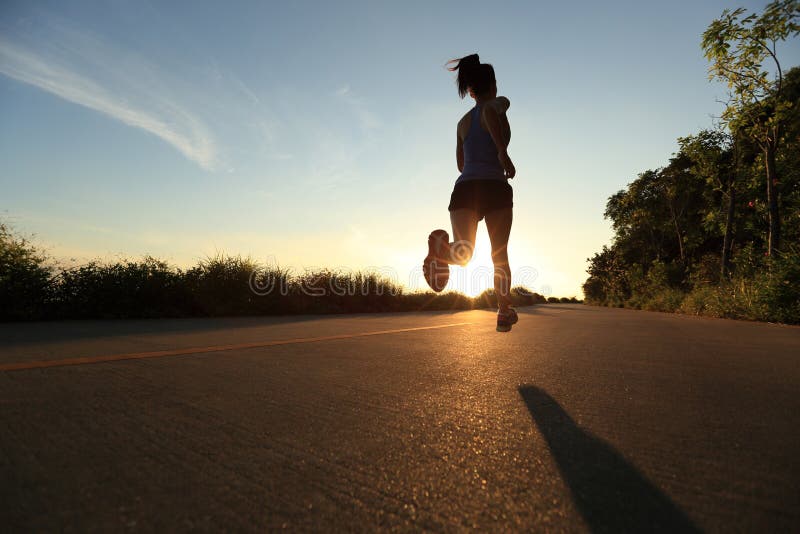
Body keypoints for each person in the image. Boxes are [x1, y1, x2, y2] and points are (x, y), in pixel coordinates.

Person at [423, 53, 519, 332]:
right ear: (493, 85)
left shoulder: (461, 123)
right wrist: (502, 152)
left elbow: (461, 164)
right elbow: (489, 112)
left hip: (465, 188)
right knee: (499, 254)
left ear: (470, 89)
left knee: (463, 253)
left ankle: (441, 252)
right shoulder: (499, 103)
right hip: (495, 187)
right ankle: (503, 310)